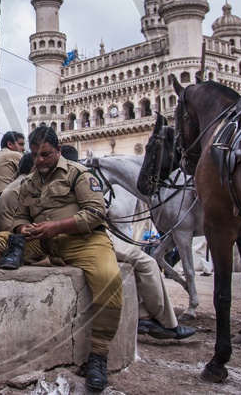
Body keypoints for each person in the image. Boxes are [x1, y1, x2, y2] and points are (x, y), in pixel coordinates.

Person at [0, 125, 123, 391]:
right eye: (36, 154)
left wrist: (58, 226)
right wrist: (22, 228)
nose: (40, 160)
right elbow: (19, 217)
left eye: (46, 154)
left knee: (109, 280)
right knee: (6, 238)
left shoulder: (79, 175)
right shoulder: (29, 182)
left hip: (83, 242)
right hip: (43, 241)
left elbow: (96, 213)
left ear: (58, 151)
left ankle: (98, 356)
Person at [59, 144, 195, 341]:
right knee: (146, 263)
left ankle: (145, 315)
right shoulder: (77, 178)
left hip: (84, 236)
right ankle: (166, 322)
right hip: (86, 239)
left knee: (133, 263)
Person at [0, 131, 25, 203]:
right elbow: (33, 172)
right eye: (20, 144)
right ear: (9, 144)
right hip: (9, 199)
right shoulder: (14, 155)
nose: (23, 149)